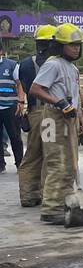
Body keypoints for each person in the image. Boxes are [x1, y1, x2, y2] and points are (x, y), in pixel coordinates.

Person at [27, 23, 83, 224]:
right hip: (53, 117)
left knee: (70, 166)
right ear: (60, 46)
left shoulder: (71, 68)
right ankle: (51, 209)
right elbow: (35, 89)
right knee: (58, 164)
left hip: (67, 119)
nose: (76, 49)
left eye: (78, 45)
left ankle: (62, 204)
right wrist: (59, 102)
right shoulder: (52, 64)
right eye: (72, 45)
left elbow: (76, 96)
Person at [17, 25, 56, 207]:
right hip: (51, 116)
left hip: (34, 114)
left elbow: (24, 87)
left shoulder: (24, 64)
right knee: (51, 154)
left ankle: (28, 195)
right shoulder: (57, 63)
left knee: (32, 154)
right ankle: (49, 194)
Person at [0, 38, 25, 173]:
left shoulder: (12, 65)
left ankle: (20, 163)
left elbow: (20, 84)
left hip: (10, 106)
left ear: (1, 52)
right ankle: (0, 165)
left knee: (15, 136)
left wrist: (21, 101)